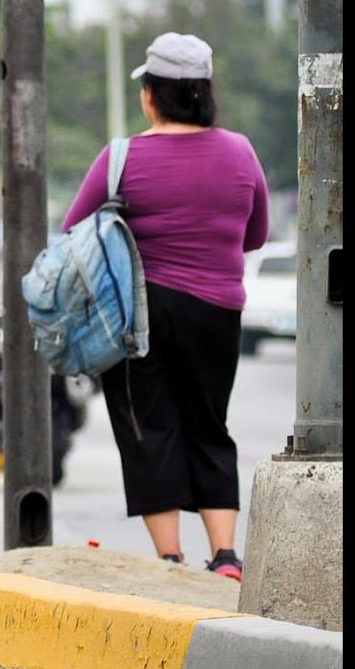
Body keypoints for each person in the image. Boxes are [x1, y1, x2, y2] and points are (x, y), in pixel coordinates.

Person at [62, 32, 269, 581]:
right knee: (209, 424)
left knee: (149, 428)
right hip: (217, 312)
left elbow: (72, 232)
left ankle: (170, 559)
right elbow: (256, 235)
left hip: (138, 315)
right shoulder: (241, 152)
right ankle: (225, 555)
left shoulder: (122, 157)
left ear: (151, 95)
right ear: (204, 93)